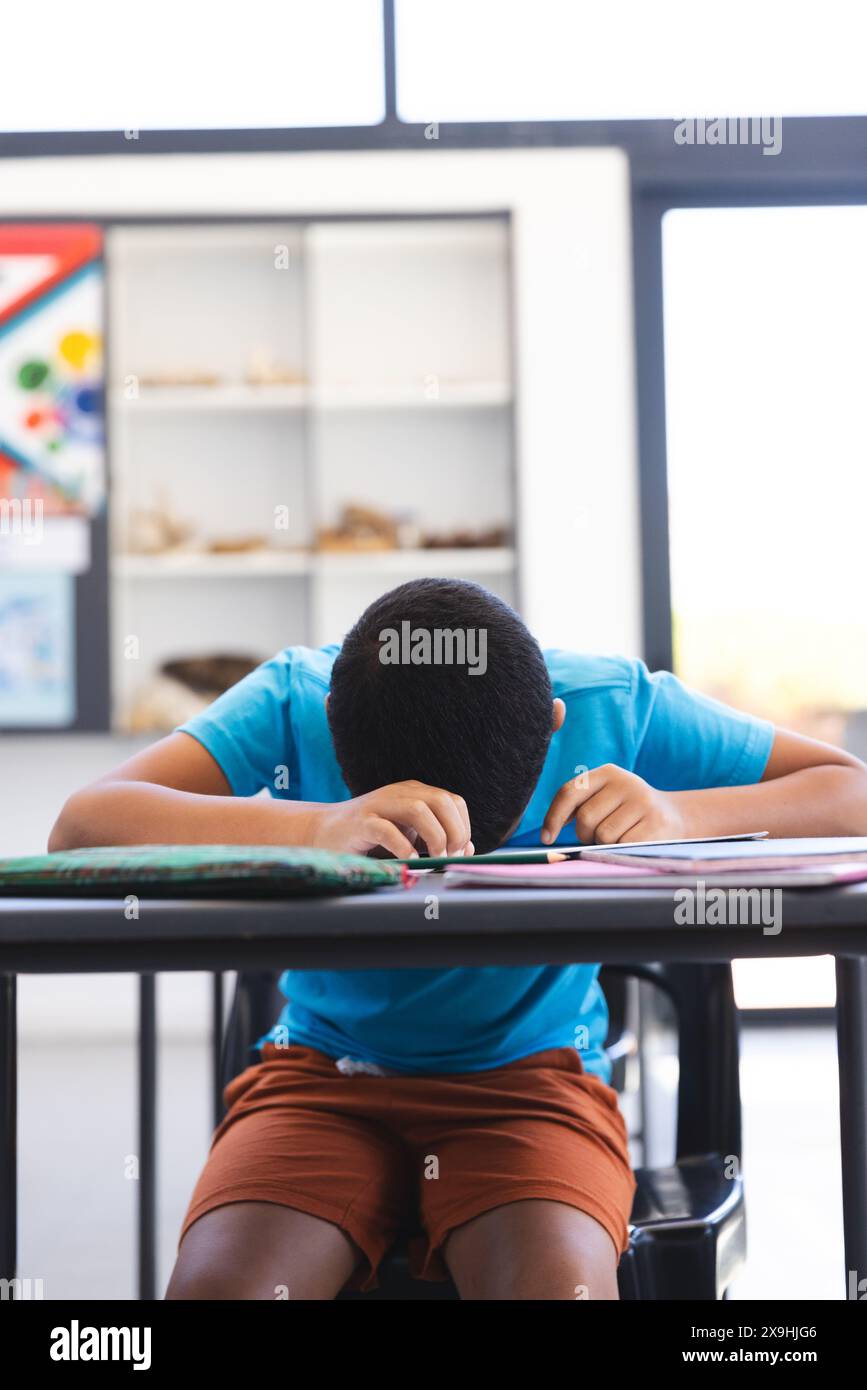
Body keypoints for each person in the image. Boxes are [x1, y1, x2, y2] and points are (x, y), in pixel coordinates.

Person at [50, 578, 867, 1300]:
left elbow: (849, 791)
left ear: (553, 726)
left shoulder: (607, 703)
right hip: (324, 1075)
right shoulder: (297, 696)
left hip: (530, 1082)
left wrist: (685, 813)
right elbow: (83, 826)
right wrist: (314, 824)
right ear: (334, 730)